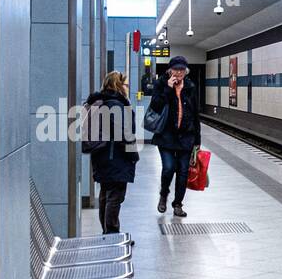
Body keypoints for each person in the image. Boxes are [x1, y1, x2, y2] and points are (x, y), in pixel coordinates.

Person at [84, 71, 139, 234]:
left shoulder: (100, 102)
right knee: (115, 197)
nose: (127, 87)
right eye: (126, 84)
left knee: (105, 195)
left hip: (101, 156)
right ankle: (112, 234)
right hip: (115, 156)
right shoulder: (116, 104)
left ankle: (107, 232)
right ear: (118, 85)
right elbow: (123, 134)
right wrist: (133, 154)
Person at [150, 55, 201, 217]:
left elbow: (195, 113)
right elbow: (155, 106)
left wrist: (197, 140)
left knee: (183, 171)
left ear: (186, 71)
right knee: (169, 168)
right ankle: (163, 194)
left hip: (186, 136)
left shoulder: (191, 86)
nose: (178, 73)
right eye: (175, 69)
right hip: (166, 136)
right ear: (169, 70)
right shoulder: (161, 84)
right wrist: (167, 88)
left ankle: (178, 204)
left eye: (181, 70)